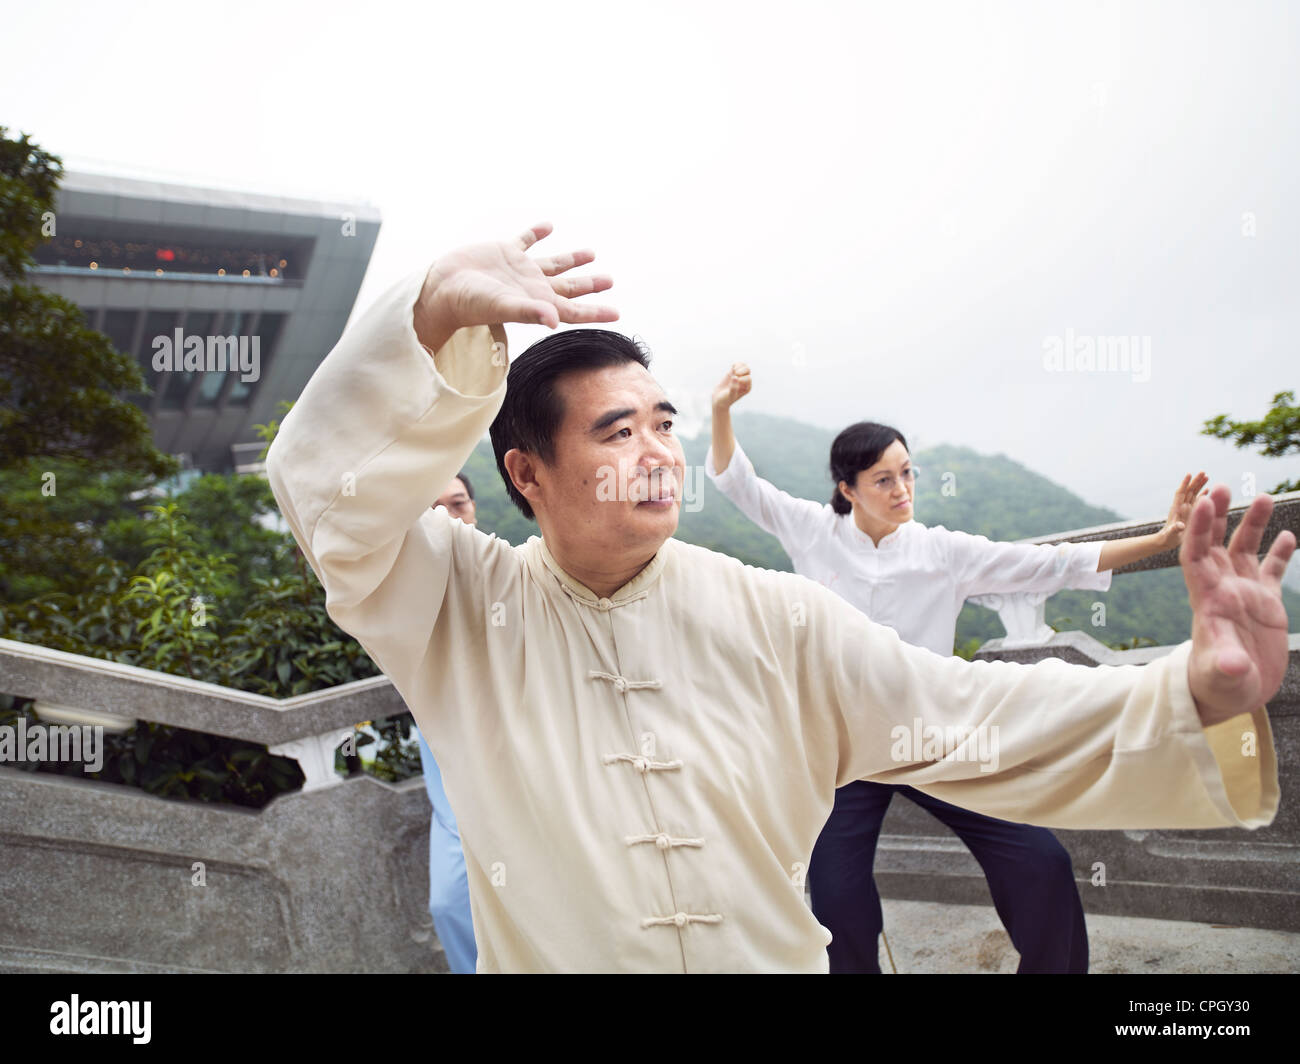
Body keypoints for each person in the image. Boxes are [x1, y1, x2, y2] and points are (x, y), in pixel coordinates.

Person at [265, 222, 1289, 973]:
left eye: (663, 424)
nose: (657, 452)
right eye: (615, 432)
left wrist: (1191, 691)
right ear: (526, 474)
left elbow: (976, 711)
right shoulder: (455, 606)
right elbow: (329, 499)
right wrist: (433, 313)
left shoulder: (776, 615)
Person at [707, 361, 1210, 973]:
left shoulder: (941, 550)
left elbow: (1051, 564)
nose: (902, 490)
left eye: (907, 474)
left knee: (1040, 861)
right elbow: (740, 483)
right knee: (838, 901)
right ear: (847, 488)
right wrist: (722, 409)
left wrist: (1160, 541)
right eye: (883, 479)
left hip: (932, 735)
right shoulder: (814, 532)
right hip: (843, 751)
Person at [412, 472, 478, 973]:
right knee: (450, 904)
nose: (448, 516)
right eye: (433, 507)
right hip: (451, 783)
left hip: (518, 769)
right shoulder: (406, 592)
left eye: (458, 504)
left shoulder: (510, 573)